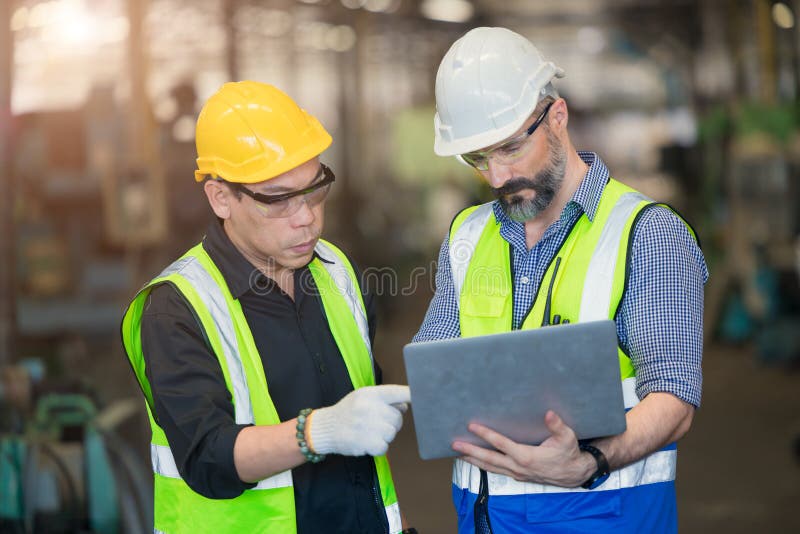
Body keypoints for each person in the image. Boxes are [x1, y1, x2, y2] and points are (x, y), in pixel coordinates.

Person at [413, 27, 708, 533]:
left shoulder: (647, 234)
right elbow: (435, 368)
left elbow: (674, 398)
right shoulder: (467, 233)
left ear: (558, 117)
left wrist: (590, 461)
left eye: (508, 149)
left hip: (602, 517)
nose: (496, 177)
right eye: (477, 158)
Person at [121, 81, 412, 534]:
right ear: (221, 198)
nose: (306, 217)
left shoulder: (339, 273)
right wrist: (317, 432)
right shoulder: (176, 308)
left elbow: (367, 453)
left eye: (315, 191)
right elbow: (207, 457)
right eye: (278, 200)